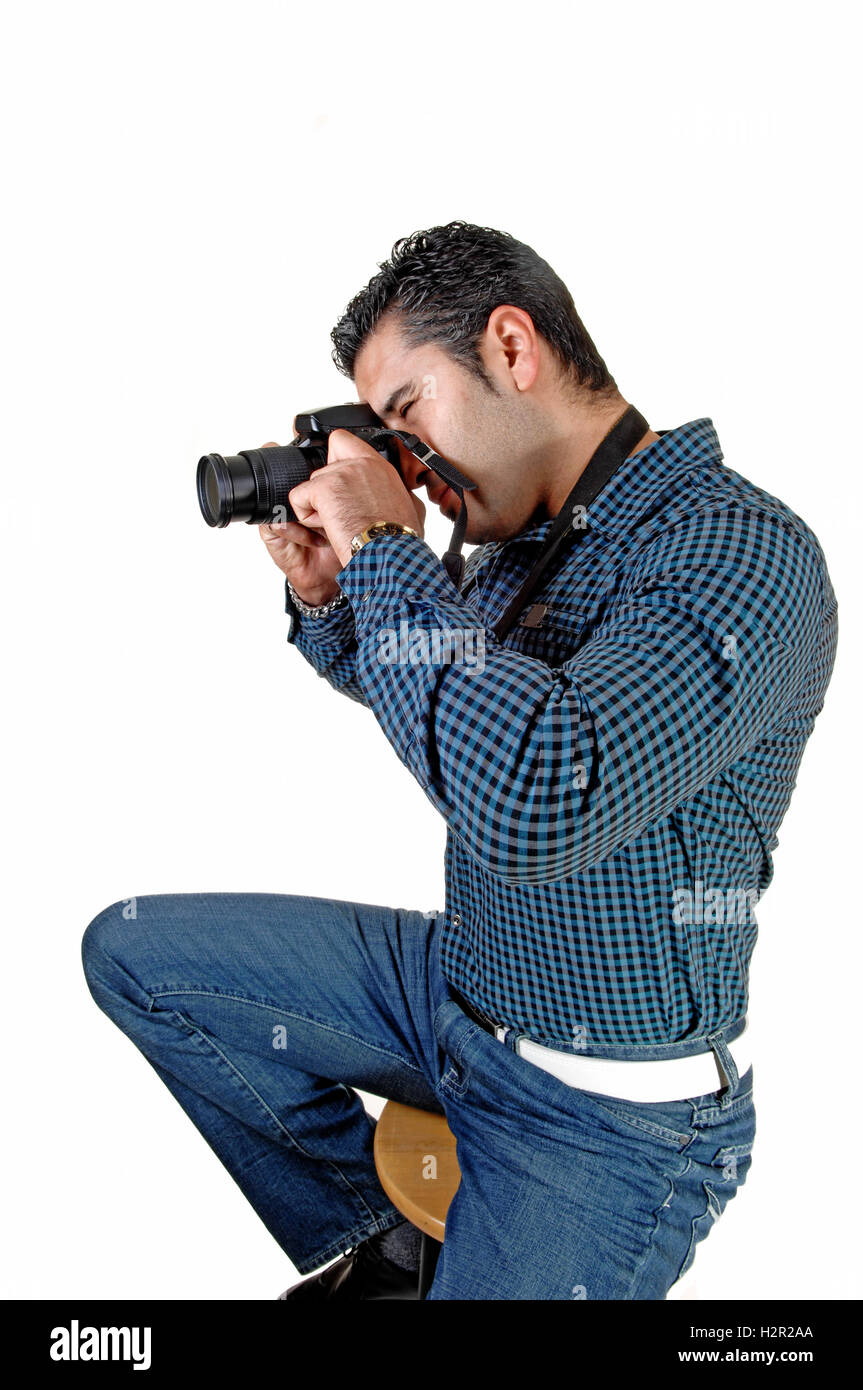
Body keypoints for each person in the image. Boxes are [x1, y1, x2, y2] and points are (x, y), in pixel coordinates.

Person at [82, 221, 838, 1300]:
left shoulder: (736, 553)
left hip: (601, 1109)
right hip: (457, 991)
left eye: (408, 411)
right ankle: (384, 1240)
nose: (410, 463)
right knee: (136, 956)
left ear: (510, 347)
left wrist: (390, 552)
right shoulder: (529, 544)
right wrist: (333, 596)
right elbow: (445, 715)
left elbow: (532, 796)